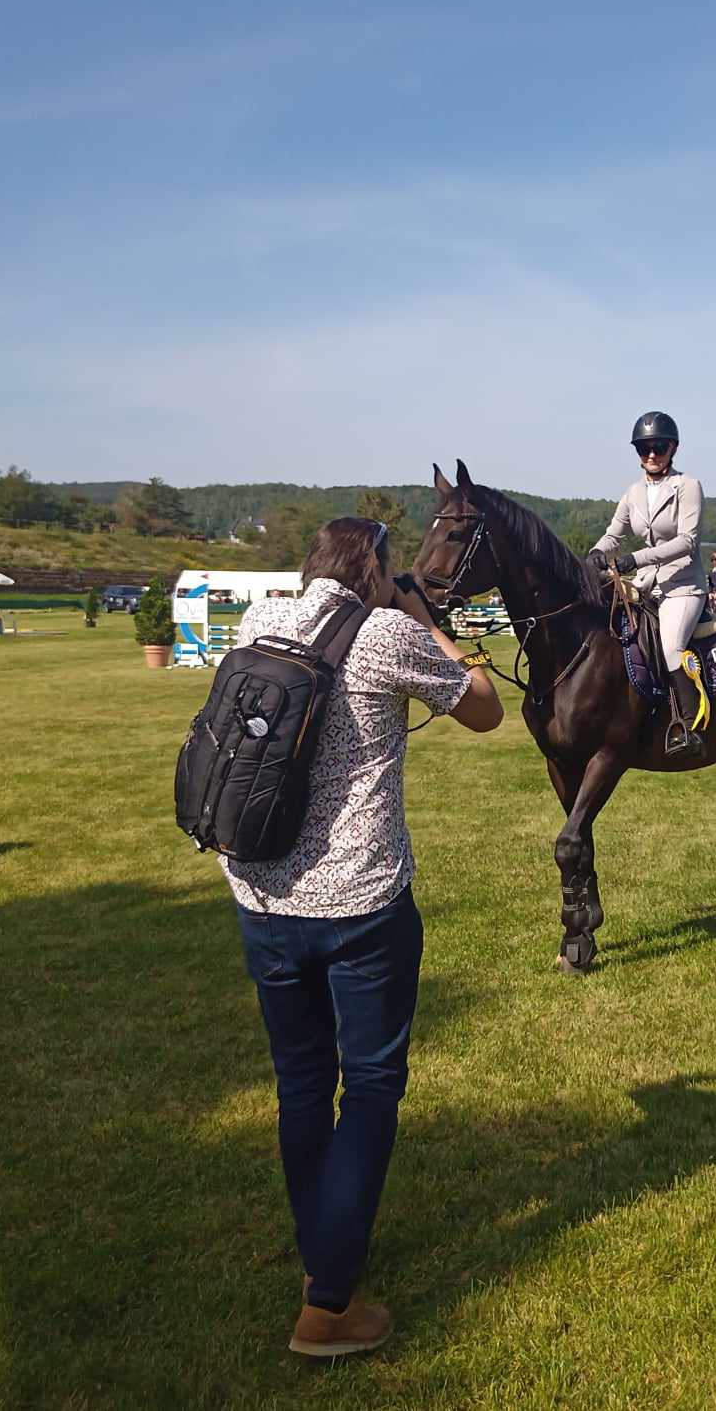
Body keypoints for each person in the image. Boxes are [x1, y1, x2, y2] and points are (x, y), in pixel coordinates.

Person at [224, 516, 502, 1359]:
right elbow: (486, 712)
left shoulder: (257, 620)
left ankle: (321, 1253)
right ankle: (329, 1306)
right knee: (372, 1086)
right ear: (376, 570)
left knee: (301, 1084)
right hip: (360, 901)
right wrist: (425, 620)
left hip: (262, 893)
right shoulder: (388, 633)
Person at [586, 412, 708, 755]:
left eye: (658, 447)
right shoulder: (633, 493)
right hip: (645, 584)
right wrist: (596, 554)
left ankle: (688, 726)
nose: (651, 454)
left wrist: (634, 560)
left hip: (681, 585)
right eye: (643, 448)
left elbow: (688, 541)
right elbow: (614, 534)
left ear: (673, 448)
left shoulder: (688, 486)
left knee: (670, 646)